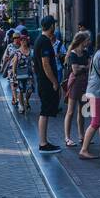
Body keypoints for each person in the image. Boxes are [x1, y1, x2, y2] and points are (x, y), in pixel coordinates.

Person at [33, 16, 63, 153]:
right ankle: (43, 143)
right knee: (45, 111)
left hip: (42, 80)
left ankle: (44, 141)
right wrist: (54, 82)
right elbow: (46, 64)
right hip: (46, 82)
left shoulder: (40, 40)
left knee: (45, 111)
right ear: (51, 26)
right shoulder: (45, 42)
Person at [62, 32, 91, 148]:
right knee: (70, 111)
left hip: (85, 83)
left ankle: (81, 136)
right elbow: (75, 70)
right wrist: (84, 67)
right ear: (82, 41)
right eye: (87, 40)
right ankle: (67, 137)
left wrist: (81, 67)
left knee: (83, 111)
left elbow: (89, 66)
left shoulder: (85, 52)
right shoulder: (73, 54)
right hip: (75, 84)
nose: (89, 42)